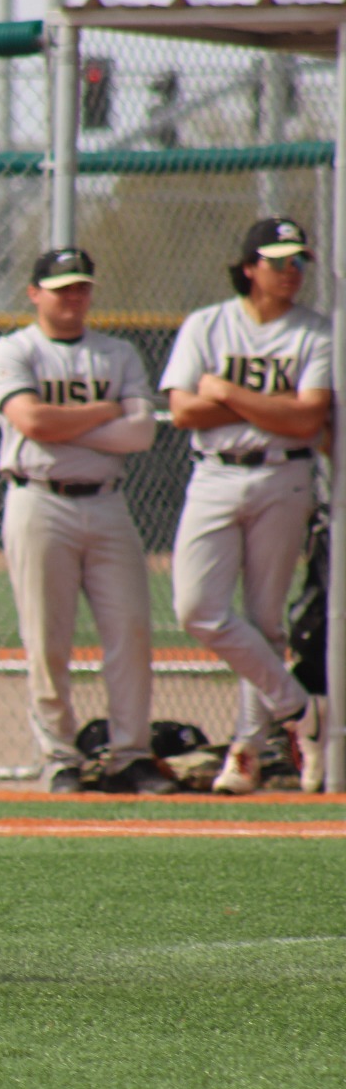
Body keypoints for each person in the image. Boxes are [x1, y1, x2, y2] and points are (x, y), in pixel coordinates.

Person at [0, 247, 176, 795]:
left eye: (81, 287)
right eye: (62, 287)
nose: (73, 296)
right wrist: (105, 412)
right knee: (47, 638)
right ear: (34, 293)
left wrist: (61, 425)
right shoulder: (15, 350)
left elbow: (140, 434)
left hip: (108, 501)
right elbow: (29, 419)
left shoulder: (116, 353)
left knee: (131, 633)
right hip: (38, 498)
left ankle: (130, 755)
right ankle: (59, 757)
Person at [165, 217, 332, 795]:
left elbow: (309, 418)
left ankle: (246, 751)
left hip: (283, 476)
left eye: (299, 262)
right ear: (249, 267)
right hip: (214, 474)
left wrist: (229, 392)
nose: (292, 272)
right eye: (280, 261)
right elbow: (184, 411)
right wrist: (272, 405)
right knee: (196, 607)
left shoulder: (315, 332)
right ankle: (302, 712)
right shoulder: (207, 324)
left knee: (264, 622)